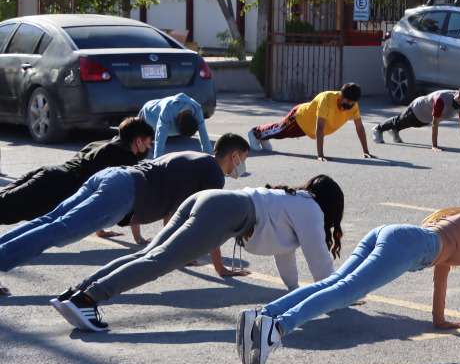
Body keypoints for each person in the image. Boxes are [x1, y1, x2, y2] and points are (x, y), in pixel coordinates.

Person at [237, 185, 460, 364]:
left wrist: (439, 319)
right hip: (406, 244)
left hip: (389, 232)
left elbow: (442, 270)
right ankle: (277, 328)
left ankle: (261, 315)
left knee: (333, 284)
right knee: (345, 292)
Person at [51, 176, 345, 333]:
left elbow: (285, 254)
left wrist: (294, 292)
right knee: (159, 261)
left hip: (208, 199)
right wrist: (337, 293)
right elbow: (318, 259)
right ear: (331, 205)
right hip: (226, 210)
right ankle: (87, 300)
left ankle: (77, 293)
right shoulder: (310, 209)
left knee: (151, 253)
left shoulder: (293, 201)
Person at [0, 134, 250, 295]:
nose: (243, 165)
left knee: (51, 222)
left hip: (113, 176)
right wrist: (221, 268)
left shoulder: (195, 157)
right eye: (244, 159)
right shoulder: (213, 174)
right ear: (234, 156)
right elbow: (209, 224)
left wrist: (176, 251)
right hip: (123, 192)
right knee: (59, 230)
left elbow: (175, 216)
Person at [0, 117, 154, 227]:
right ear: (138, 140)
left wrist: (100, 228)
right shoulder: (125, 158)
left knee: (4, 202)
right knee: (6, 210)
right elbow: (115, 195)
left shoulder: (100, 144)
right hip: (54, 187)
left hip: (49, 174)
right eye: (149, 143)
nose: (149, 148)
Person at [248, 83, 373, 162]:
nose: (348, 106)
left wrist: (366, 151)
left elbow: (359, 128)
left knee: (279, 134)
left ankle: (264, 136)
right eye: (347, 102)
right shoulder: (327, 99)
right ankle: (255, 133)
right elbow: (320, 127)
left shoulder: (353, 106)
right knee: (280, 131)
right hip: (299, 118)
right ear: (341, 96)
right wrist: (320, 155)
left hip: (309, 128)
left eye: (352, 104)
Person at [374, 87, 460, 149]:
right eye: (459, 98)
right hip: (416, 109)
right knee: (400, 121)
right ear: (458, 93)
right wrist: (434, 146)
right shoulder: (441, 99)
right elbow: (435, 123)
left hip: (425, 118)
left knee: (412, 124)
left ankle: (395, 130)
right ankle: (378, 129)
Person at [139, 93, 212, 157]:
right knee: (139, 142)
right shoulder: (168, 109)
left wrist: (210, 159)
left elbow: (204, 137)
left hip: (163, 114)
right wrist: (157, 160)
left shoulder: (197, 109)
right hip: (148, 113)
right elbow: (160, 137)